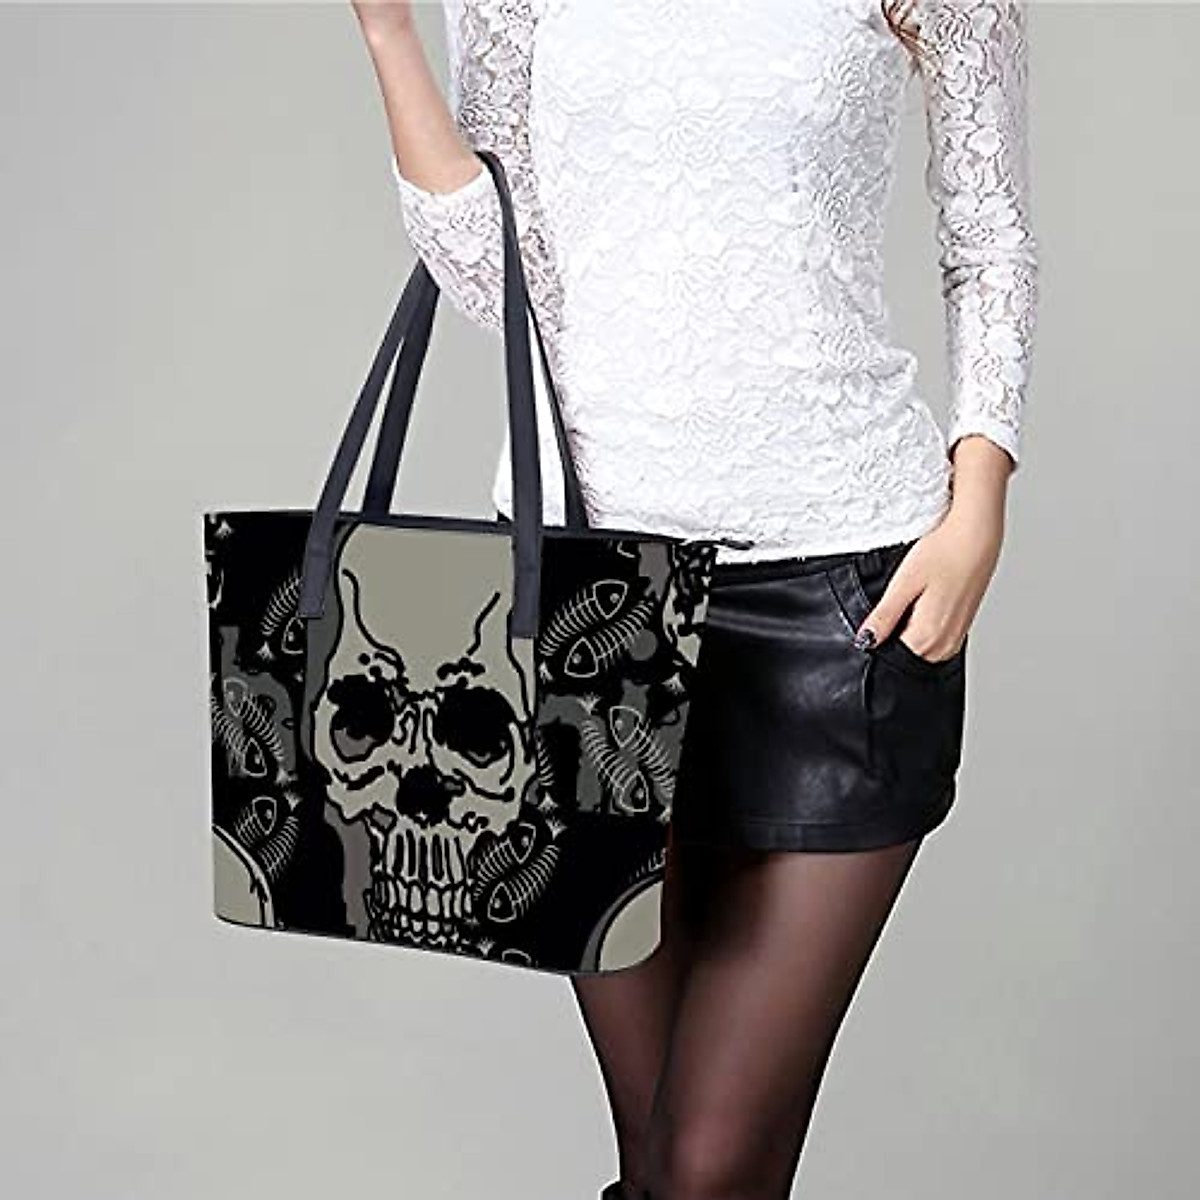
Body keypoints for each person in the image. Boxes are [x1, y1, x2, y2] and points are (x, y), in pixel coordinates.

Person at [350, 1, 1039, 1196]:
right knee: (663, 1157)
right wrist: (388, 38)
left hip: (841, 599)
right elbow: (498, 275)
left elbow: (990, 234)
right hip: (589, 605)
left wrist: (980, 495)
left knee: (708, 1165)